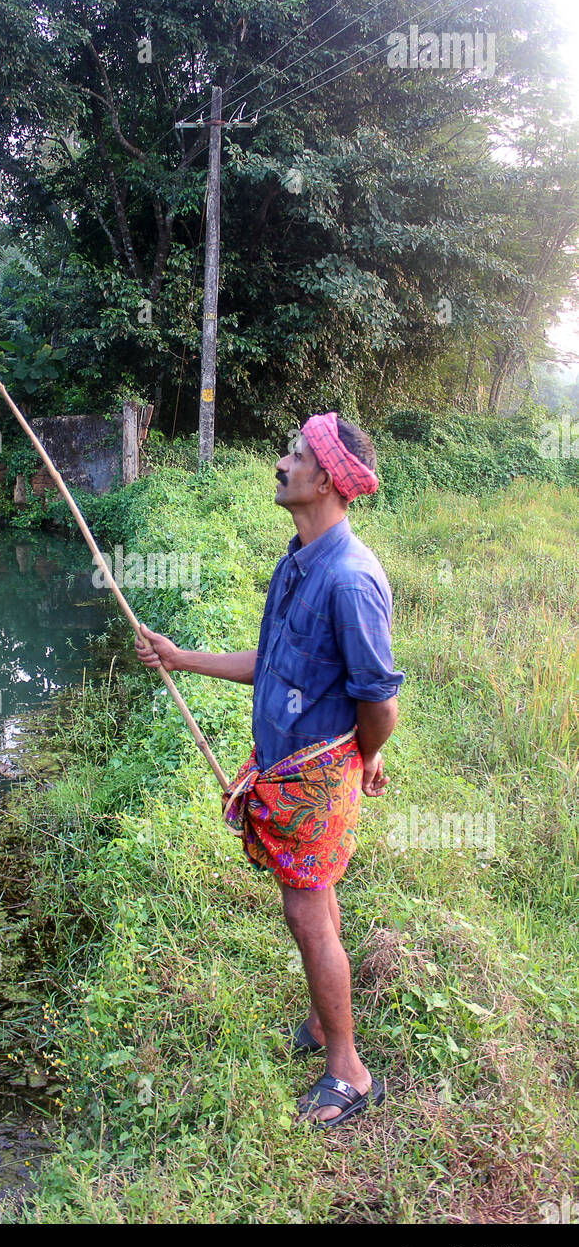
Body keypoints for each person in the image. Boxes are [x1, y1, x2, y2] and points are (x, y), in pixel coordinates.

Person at [134, 413, 404, 1128]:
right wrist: (179, 656)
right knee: (313, 897)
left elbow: (380, 702)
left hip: (315, 776)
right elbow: (271, 668)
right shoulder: (296, 562)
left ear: (326, 479)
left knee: (305, 913)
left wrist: (366, 758)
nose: (281, 463)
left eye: (295, 454)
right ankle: (322, 1023)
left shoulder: (351, 580)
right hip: (285, 767)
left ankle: (346, 1069)